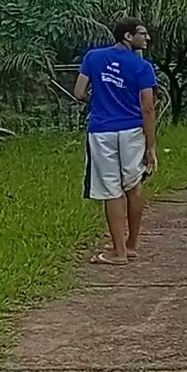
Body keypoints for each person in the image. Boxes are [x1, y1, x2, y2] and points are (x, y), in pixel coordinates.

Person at [73, 17, 159, 266]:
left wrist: (98, 98)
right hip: (132, 131)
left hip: (102, 131)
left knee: (111, 190)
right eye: (142, 33)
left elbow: (79, 92)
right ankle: (131, 245)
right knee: (133, 185)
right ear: (128, 36)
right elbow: (148, 108)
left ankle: (118, 251)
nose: (147, 38)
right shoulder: (143, 67)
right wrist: (151, 145)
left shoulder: (93, 57)